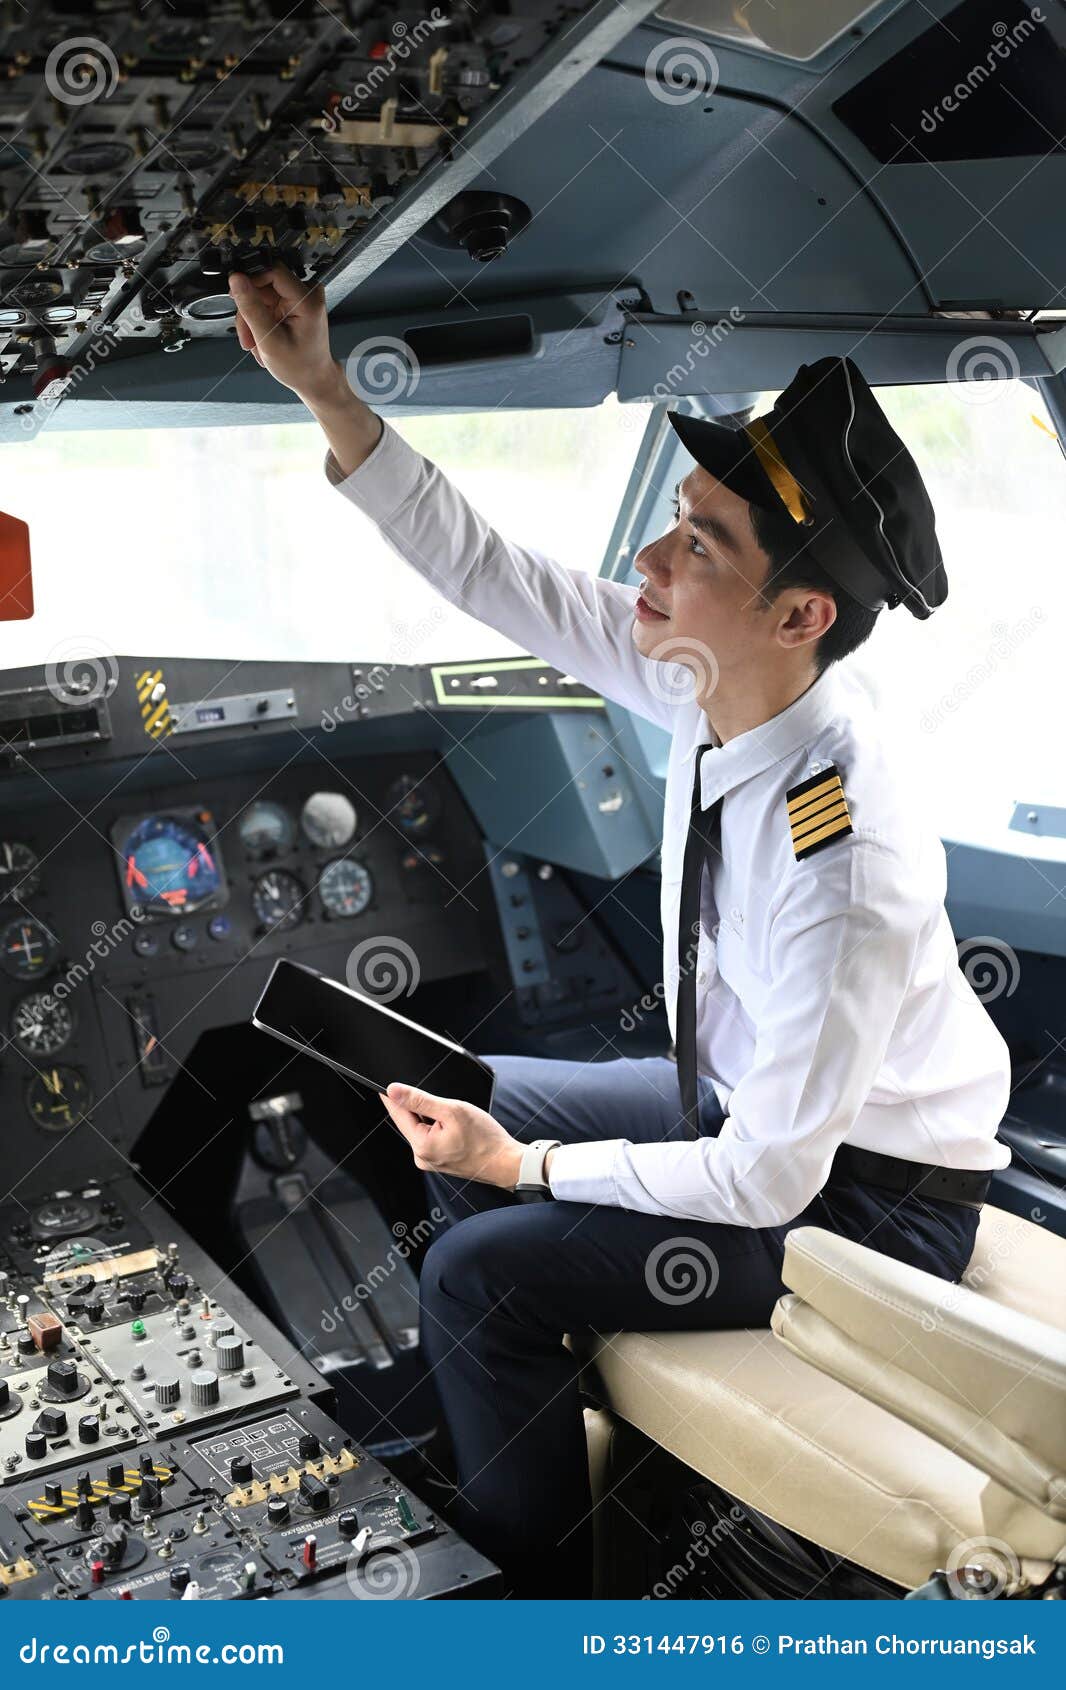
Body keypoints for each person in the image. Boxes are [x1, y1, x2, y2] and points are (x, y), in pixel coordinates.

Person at [229, 265, 1012, 1598]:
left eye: (699, 546)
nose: (649, 562)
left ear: (799, 616)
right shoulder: (708, 677)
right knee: (463, 1092)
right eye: (674, 520)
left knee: (480, 1265)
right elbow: (492, 572)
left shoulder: (844, 865)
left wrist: (532, 1171)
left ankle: (529, 1586)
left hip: (866, 1196)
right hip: (754, 1106)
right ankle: (514, 1428)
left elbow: (767, 1181)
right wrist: (325, 389)